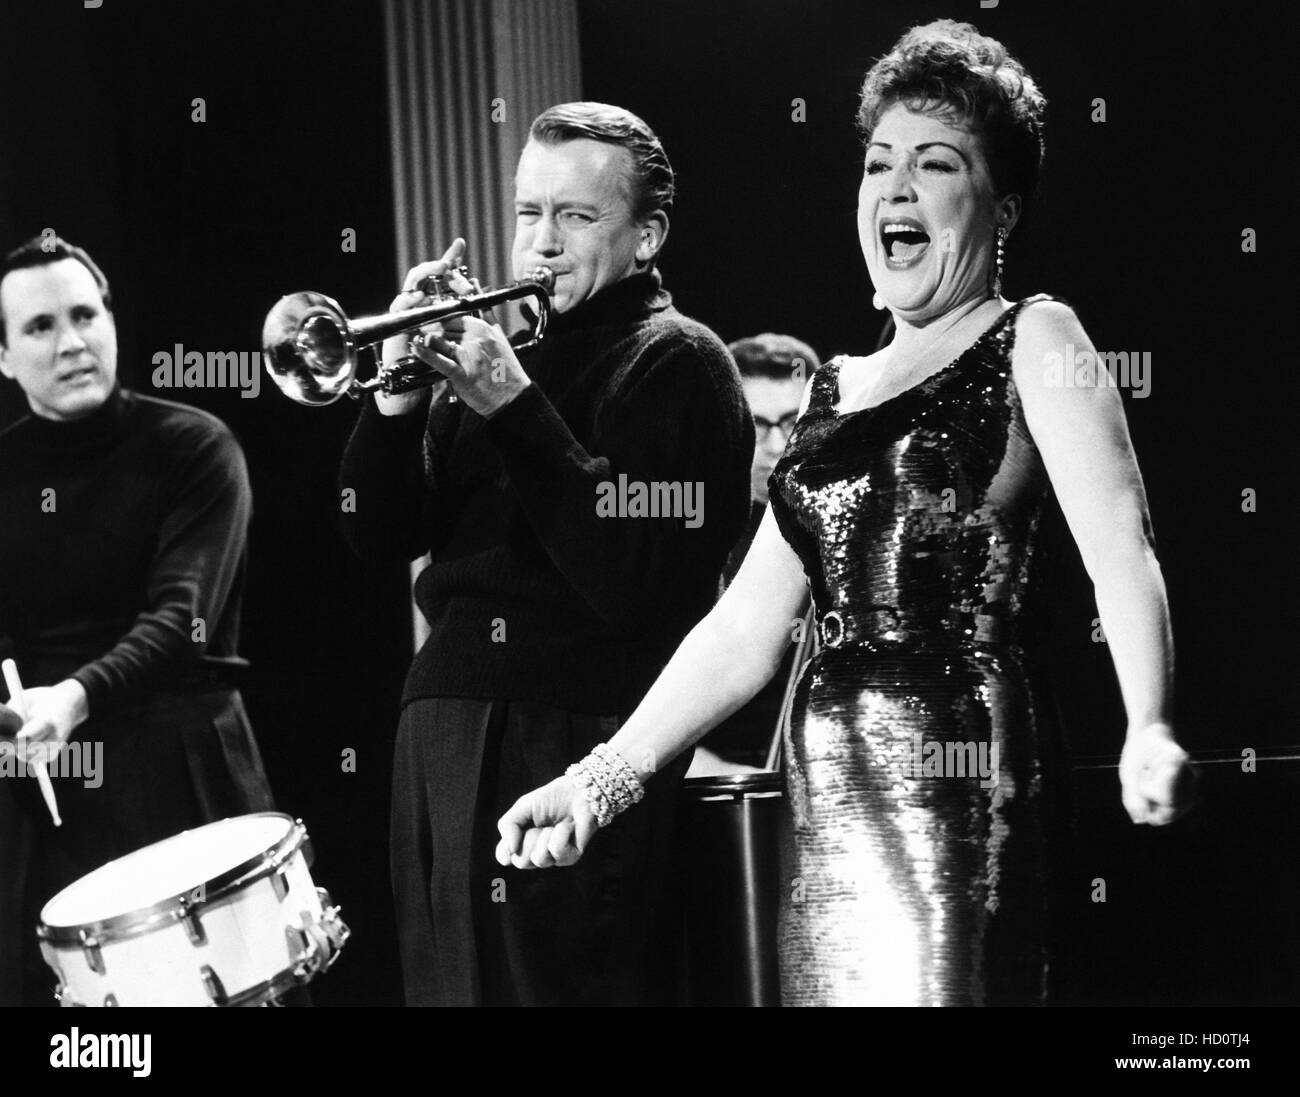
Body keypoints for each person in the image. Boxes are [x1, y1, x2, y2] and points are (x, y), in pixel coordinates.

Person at [496, 23, 1196, 1006]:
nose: (894, 186)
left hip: (965, 789)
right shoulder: (833, 389)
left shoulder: (1033, 336)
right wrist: (599, 781)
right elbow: (742, 627)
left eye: (935, 162)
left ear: (1000, 205)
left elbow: (1123, 549)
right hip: (827, 801)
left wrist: (1150, 721)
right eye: (878, 164)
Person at [338, 103, 753, 1005]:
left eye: (577, 216)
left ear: (648, 236)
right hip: (438, 731)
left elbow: (636, 581)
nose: (542, 244)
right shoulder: (493, 367)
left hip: (575, 734)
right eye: (530, 213)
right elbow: (372, 532)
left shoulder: (681, 361)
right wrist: (398, 397)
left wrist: (514, 407)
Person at [0, 236, 276, 1006]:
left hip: (183, 762)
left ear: (113, 323)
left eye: (86, 314)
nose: (72, 341)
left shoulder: (192, 445)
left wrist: (74, 695)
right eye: (41, 326)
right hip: (44, 787)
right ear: (3, 355)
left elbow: (181, 619)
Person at [689, 333, 818, 775]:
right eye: (758, 424)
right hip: (728, 791)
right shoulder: (699, 541)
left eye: (792, 422)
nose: (777, 443)